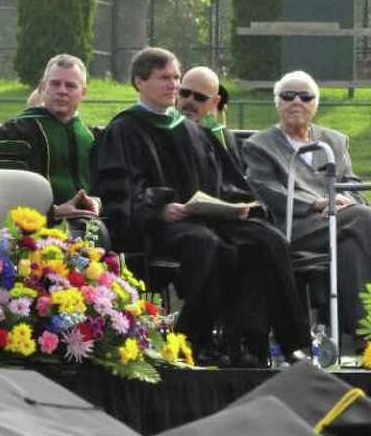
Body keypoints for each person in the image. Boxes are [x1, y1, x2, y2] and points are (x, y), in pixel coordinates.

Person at [93, 47, 310, 365]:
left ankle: (271, 343)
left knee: (269, 239)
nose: (173, 85)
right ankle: (195, 340)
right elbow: (120, 191)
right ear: (139, 82)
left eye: (175, 78)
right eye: (164, 78)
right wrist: (159, 209)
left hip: (207, 218)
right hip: (160, 227)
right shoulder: (124, 130)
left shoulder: (192, 130)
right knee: (208, 245)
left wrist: (238, 205)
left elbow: (225, 184)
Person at [243, 70, 371, 339]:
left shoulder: (334, 141)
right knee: (362, 219)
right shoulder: (260, 145)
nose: (296, 102)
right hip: (294, 226)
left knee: (352, 244)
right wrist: (317, 203)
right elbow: (266, 190)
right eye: (288, 96)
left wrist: (346, 204)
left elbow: (350, 183)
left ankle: (361, 335)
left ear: (316, 103)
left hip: (342, 223)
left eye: (305, 96)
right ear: (277, 103)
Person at [0, 54, 105, 243]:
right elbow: (5, 192)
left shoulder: (91, 136)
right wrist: (53, 212)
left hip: (88, 232)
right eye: (55, 84)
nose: (62, 91)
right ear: (42, 87)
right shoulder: (18, 131)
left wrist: (97, 203)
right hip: (32, 238)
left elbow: (104, 187)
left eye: (71, 85)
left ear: (84, 92)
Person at [176, 66, 244, 174]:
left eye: (199, 97)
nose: (189, 100)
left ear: (215, 102)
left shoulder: (222, 139)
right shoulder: (161, 129)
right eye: (184, 93)